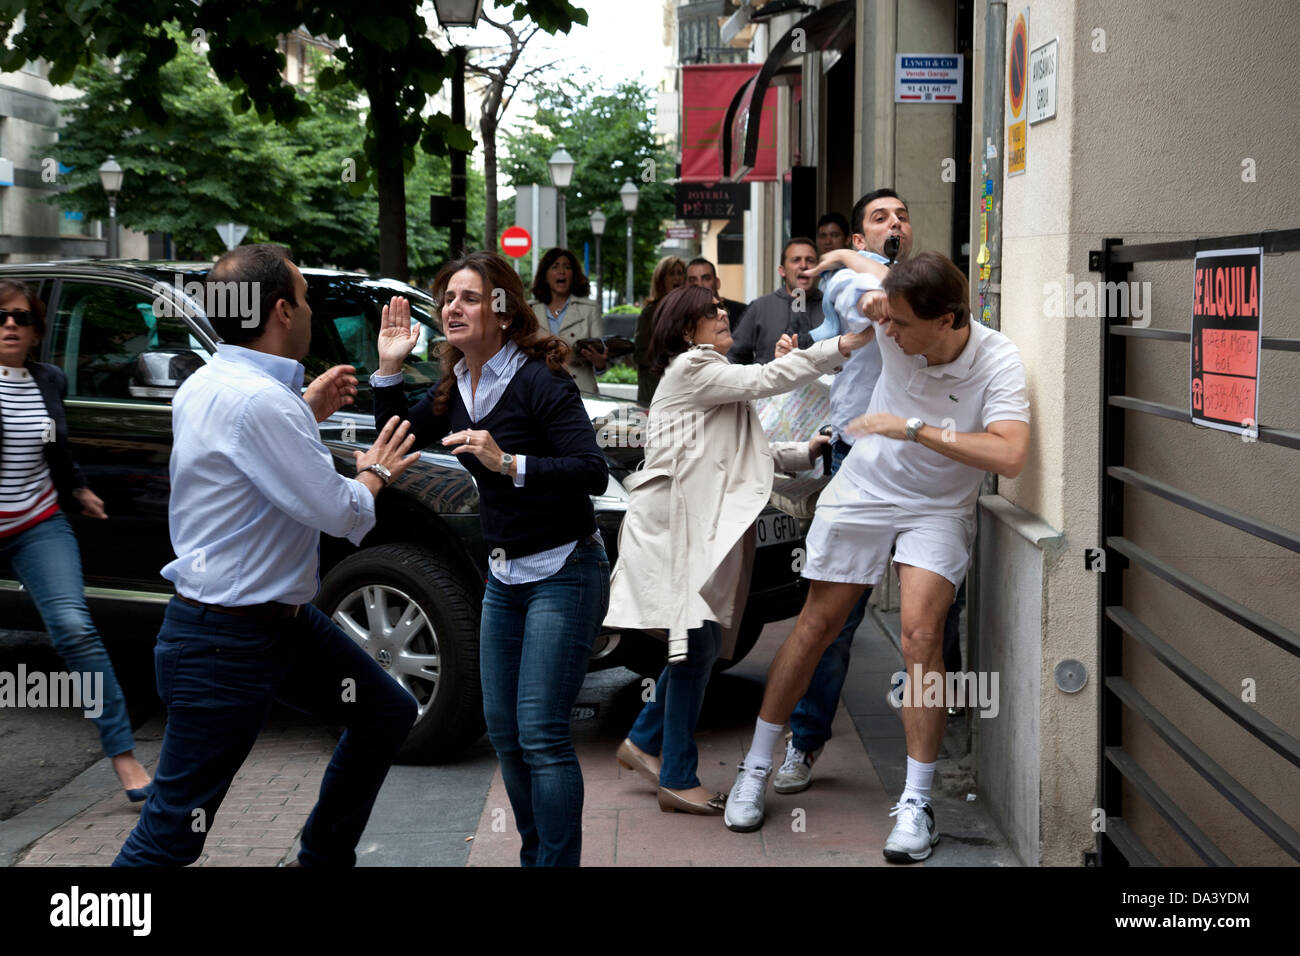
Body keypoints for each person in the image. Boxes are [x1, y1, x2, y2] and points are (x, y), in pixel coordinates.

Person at [115, 244, 419, 866]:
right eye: (305, 299)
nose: (309, 310)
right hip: (224, 642)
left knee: (384, 712)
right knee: (170, 836)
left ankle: (323, 858)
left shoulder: (213, 384)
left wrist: (306, 409)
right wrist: (378, 472)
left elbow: (244, 464)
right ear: (282, 310)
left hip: (274, 627)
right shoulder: (261, 403)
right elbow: (340, 510)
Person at [725, 252, 1030, 866]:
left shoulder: (998, 359)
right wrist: (852, 281)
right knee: (815, 626)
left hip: (937, 509)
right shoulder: (887, 312)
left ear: (947, 320)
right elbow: (845, 278)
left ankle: (916, 804)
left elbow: (1010, 454)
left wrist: (911, 428)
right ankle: (756, 766)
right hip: (863, 490)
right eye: (886, 319)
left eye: (901, 324)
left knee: (921, 635)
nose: (888, 334)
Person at [372, 251, 610, 867]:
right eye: (448, 297)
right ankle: (538, 856)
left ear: (502, 312)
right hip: (505, 578)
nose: (454, 307)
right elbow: (393, 439)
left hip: (565, 569)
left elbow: (592, 471)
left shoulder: (538, 379)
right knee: (504, 732)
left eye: (470, 297)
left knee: (541, 733)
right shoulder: (458, 387)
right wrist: (390, 368)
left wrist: (508, 463)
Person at [606, 285, 873, 815]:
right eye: (710, 311)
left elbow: (746, 448)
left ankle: (641, 742)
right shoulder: (693, 368)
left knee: (696, 649)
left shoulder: (710, 379)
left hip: (694, 533)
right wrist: (843, 344)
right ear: (688, 330)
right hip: (680, 533)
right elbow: (769, 378)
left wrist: (803, 452)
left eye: (722, 307)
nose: (723, 314)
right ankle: (677, 778)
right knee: (691, 652)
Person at [773, 190, 962, 798]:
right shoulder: (850, 287)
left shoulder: (914, 286)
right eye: (880, 218)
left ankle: (932, 742)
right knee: (835, 620)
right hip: (860, 464)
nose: (895, 222)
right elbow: (864, 306)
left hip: (931, 468)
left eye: (903, 215)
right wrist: (844, 273)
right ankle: (804, 743)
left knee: (931, 624)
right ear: (859, 239)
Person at [0, 279, 152, 802]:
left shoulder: (49, 380)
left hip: (37, 522)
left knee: (73, 627)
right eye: (1, 317)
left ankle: (126, 759)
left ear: (38, 333)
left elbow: (55, 448)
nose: (11, 326)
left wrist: (79, 489)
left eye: (22, 318)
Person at [727, 238, 822, 364]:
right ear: (782, 271)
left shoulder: (832, 307)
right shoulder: (760, 308)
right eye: (796, 260)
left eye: (810, 260)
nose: (804, 265)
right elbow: (734, 356)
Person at [529, 247, 606, 393]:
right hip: (539, 390)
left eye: (567, 267)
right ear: (545, 274)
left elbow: (601, 358)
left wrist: (600, 363)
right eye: (555, 267)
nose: (561, 272)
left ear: (574, 274)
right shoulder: (530, 310)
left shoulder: (589, 309)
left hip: (580, 390)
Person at [634, 256, 686, 404]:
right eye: (672, 273)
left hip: (683, 387)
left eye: (680, 273)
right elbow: (639, 354)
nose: (677, 278)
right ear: (661, 279)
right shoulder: (650, 312)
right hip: (655, 389)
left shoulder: (689, 309)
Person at [685, 256, 747, 332]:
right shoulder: (682, 318)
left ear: (717, 283)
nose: (700, 285)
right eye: (692, 280)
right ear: (685, 286)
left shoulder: (743, 313)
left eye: (706, 278)